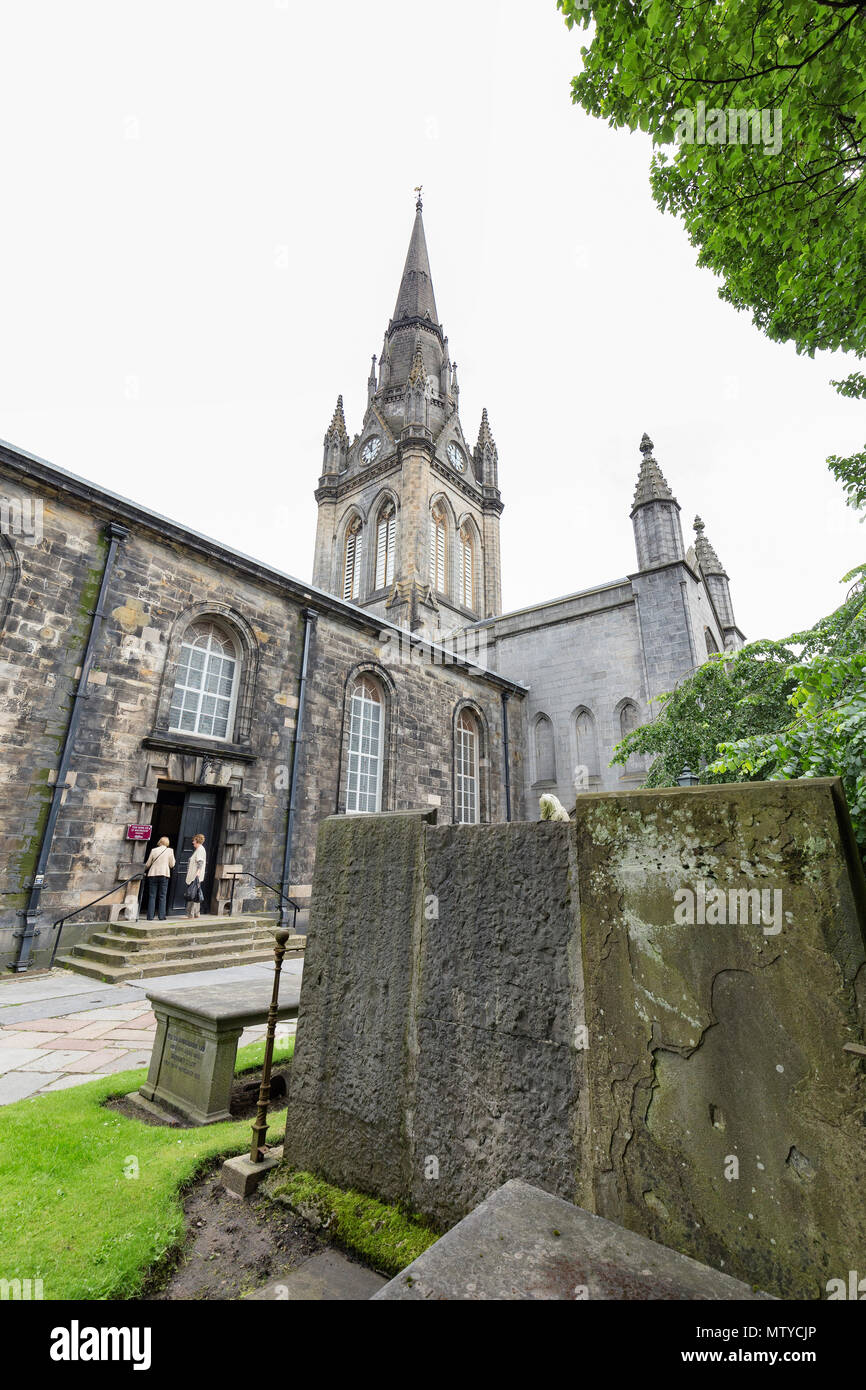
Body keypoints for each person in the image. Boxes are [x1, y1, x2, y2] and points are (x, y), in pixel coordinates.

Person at [144, 836, 175, 921]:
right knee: (162, 896)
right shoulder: (170, 851)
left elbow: (148, 864)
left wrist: (143, 870)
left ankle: (150, 916)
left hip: (153, 874)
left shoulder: (154, 850)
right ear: (167, 843)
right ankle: (161, 916)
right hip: (164, 874)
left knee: (152, 896)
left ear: (159, 842)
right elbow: (172, 864)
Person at [185, 833, 207, 919]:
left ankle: (190, 914)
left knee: (192, 894)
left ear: (197, 841)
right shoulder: (199, 849)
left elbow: (200, 862)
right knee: (196, 894)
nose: (193, 842)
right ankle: (196, 913)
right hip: (195, 876)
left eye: (194, 840)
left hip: (195, 876)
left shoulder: (200, 849)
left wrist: (197, 872)